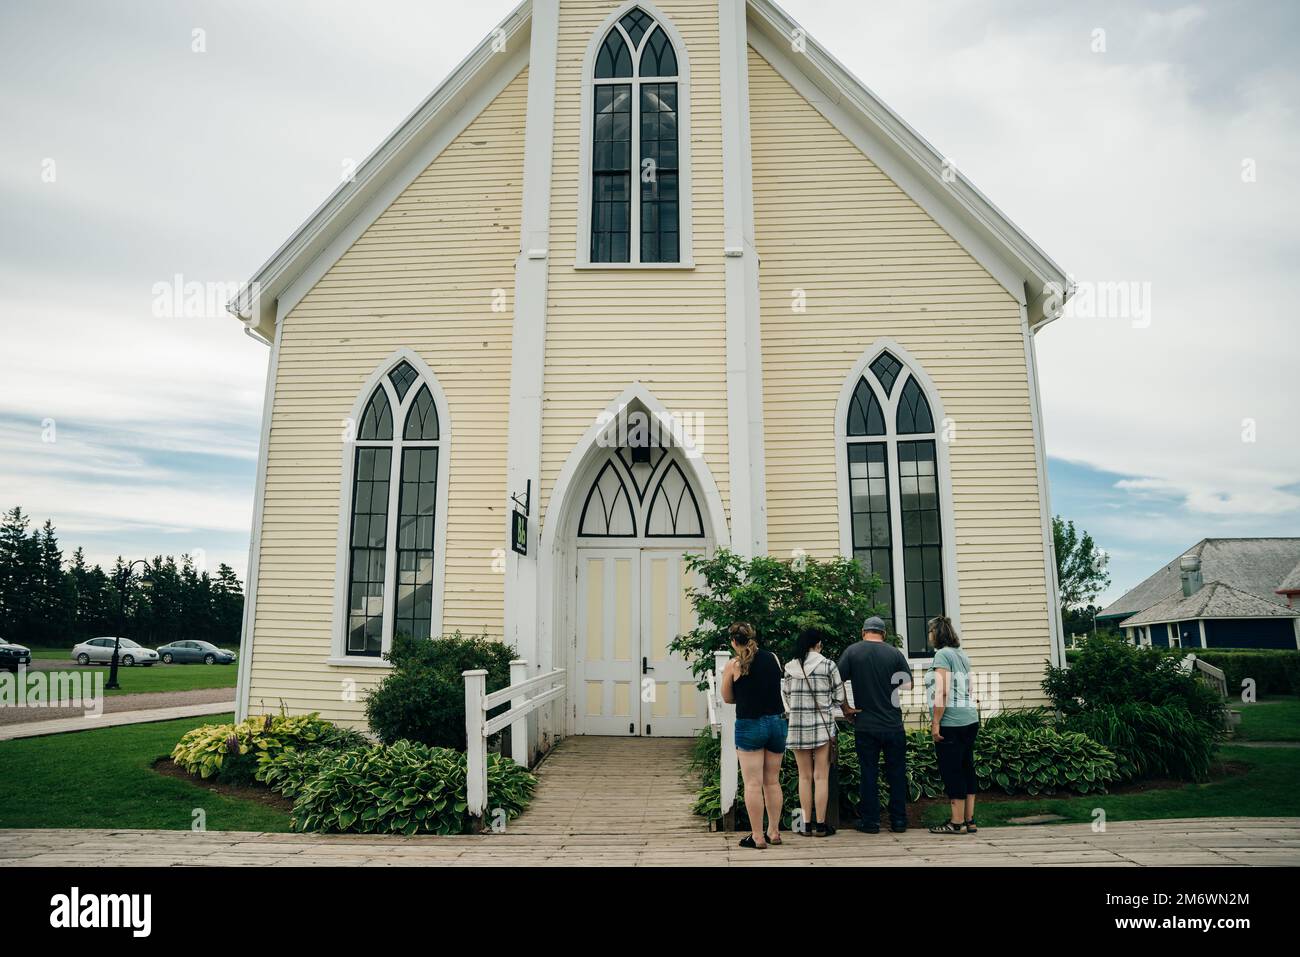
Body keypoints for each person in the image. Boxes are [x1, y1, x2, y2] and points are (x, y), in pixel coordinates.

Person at [837, 616, 912, 833]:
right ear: (884, 634)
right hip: (893, 725)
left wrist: (846, 708)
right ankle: (898, 821)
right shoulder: (894, 653)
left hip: (866, 724)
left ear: (863, 632)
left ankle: (870, 822)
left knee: (868, 772)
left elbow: (836, 681)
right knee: (896, 773)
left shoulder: (853, 652)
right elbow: (908, 685)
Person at [720, 621, 786, 849]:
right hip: (777, 723)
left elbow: (727, 697)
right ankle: (774, 832)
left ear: (733, 642)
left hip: (750, 725)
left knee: (752, 783)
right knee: (773, 781)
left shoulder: (734, 664)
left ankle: (757, 836)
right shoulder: (773, 658)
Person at [782, 627, 847, 837]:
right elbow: (839, 697)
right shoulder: (828, 665)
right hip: (822, 727)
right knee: (821, 777)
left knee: (804, 776)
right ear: (818, 644)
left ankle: (805, 825)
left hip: (797, 726)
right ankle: (821, 825)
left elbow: (787, 697)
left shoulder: (790, 667)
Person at [925, 616, 980, 835]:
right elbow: (969, 689)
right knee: (967, 767)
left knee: (952, 770)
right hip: (969, 718)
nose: (929, 636)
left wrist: (936, 722)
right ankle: (969, 820)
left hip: (951, 721)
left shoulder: (942, 654)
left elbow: (943, 691)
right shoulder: (961, 655)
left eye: (930, 632)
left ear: (936, 634)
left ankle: (956, 823)